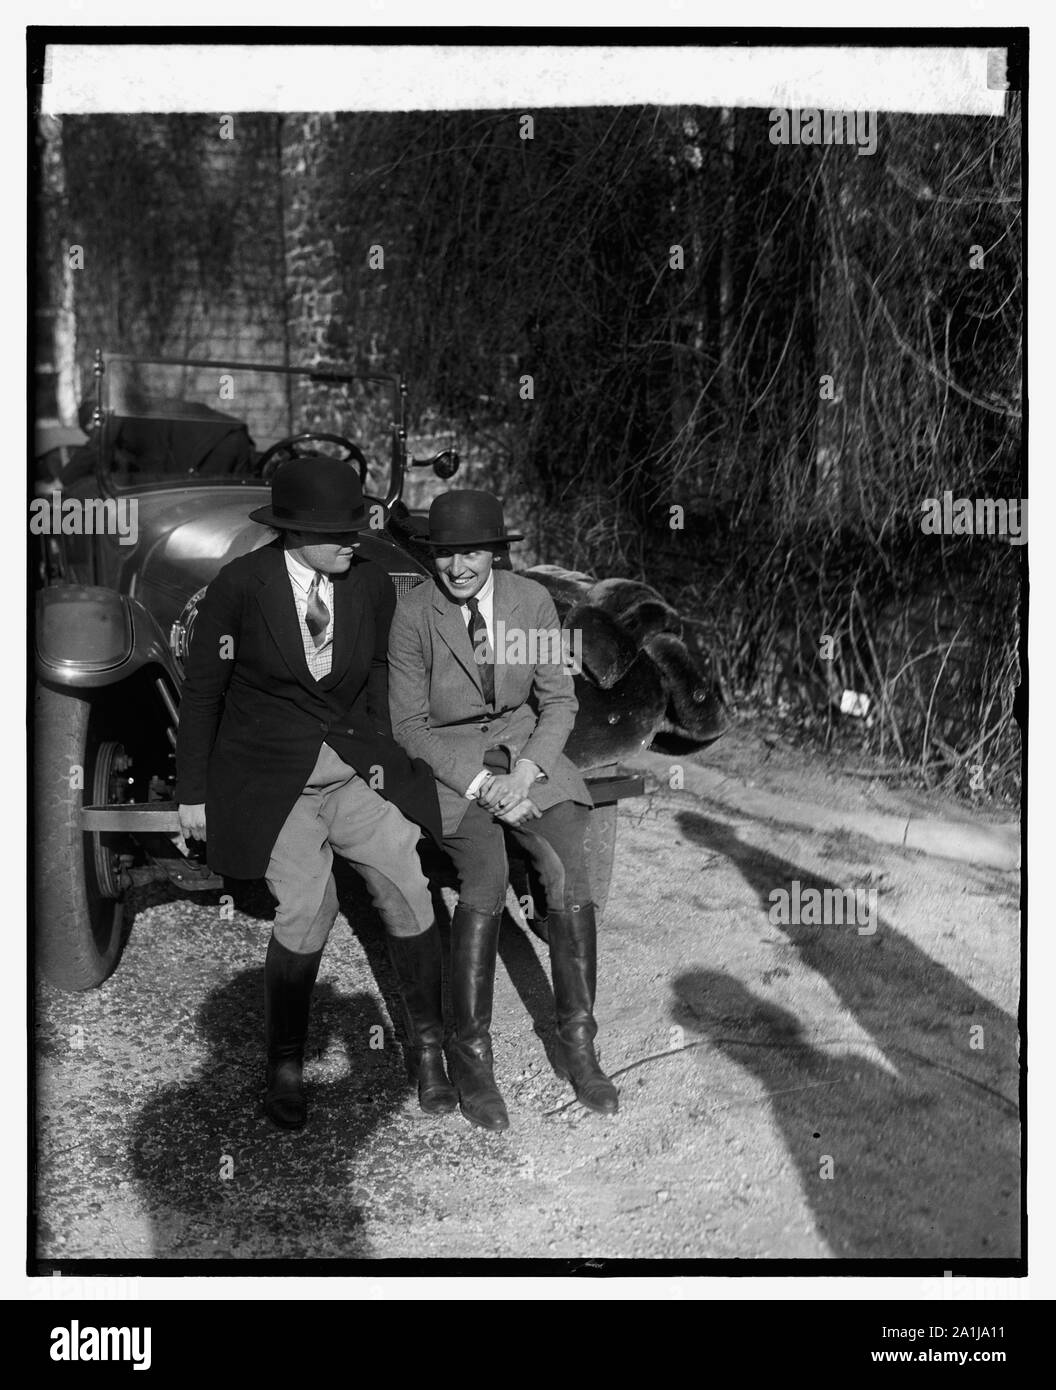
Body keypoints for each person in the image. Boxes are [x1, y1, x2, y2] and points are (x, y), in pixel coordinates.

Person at [175, 456, 454, 1130]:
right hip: (273, 781)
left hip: (353, 772)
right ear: (297, 532)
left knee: (408, 887)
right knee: (309, 904)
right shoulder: (240, 587)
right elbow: (205, 694)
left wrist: (389, 763)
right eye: (338, 530)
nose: (354, 540)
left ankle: (428, 1053)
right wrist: (193, 795)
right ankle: (286, 1065)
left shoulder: (367, 586)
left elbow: (382, 680)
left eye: (356, 526)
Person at [388, 489, 619, 1131]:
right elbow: (408, 725)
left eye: (471, 552)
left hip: (524, 754)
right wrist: (481, 786)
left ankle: (579, 1042)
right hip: (452, 763)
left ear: (493, 552)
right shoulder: (413, 613)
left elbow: (559, 703)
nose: (459, 567)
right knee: (484, 879)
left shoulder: (530, 602)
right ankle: (471, 1058)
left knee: (568, 863)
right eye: (445, 554)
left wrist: (526, 771)